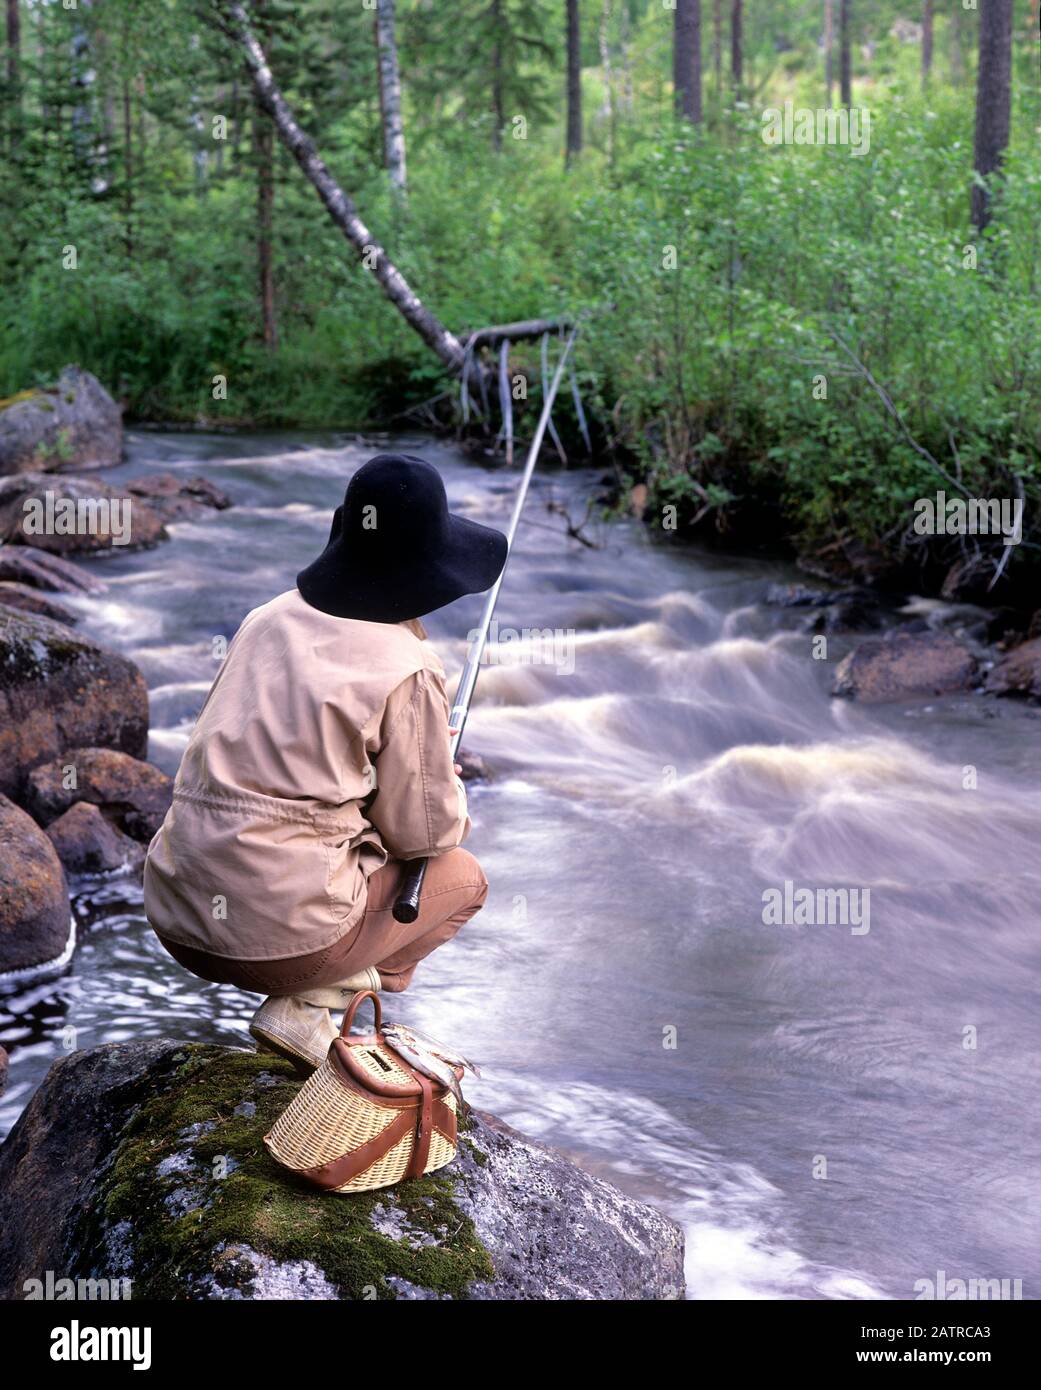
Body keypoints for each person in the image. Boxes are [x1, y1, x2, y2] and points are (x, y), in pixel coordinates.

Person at [144, 453, 507, 1074]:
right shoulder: (408, 667)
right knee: (464, 877)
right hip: (282, 943)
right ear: (429, 572)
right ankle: (316, 1000)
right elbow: (425, 835)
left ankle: (313, 996)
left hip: (177, 911)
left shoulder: (266, 620)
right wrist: (436, 767)